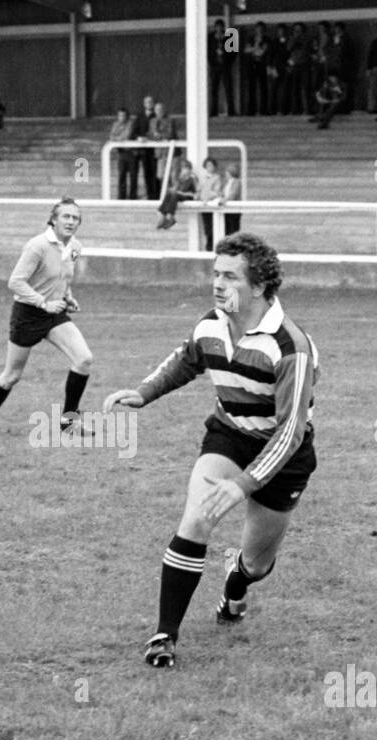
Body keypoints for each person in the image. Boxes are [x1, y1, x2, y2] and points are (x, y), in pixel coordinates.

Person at [102, 233, 318, 669]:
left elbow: (291, 432)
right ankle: (164, 636)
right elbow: (186, 359)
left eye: (230, 277)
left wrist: (245, 484)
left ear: (258, 287)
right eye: (215, 274)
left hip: (283, 455)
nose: (217, 284)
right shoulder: (210, 325)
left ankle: (236, 585)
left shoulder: (290, 346)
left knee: (257, 563)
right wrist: (144, 393)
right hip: (228, 436)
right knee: (197, 517)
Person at [0, 199, 88, 437]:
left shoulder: (75, 247)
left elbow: (64, 278)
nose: (70, 221)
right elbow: (15, 282)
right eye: (65, 216)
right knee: (12, 375)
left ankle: (68, 422)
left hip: (55, 314)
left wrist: (68, 297)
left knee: (84, 359)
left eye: (75, 218)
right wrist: (43, 302)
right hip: (28, 315)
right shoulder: (37, 246)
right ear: (53, 219)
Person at [131, 95, 159, 200]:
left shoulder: (157, 115)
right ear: (144, 104)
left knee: (156, 173)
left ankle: (157, 195)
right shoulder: (140, 116)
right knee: (147, 172)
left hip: (155, 149)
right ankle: (150, 195)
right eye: (147, 102)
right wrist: (138, 138)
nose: (149, 104)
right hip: (144, 150)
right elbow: (134, 131)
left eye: (151, 102)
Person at [157, 158, 197, 230]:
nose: (184, 170)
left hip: (188, 196)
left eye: (185, 168)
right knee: (169, 194)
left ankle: (170, 216)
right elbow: (176, 189)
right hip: (179, 195)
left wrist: (181, 192)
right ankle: (162, 215)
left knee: (174, 195)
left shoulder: (192, 179)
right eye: (183, 168)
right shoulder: (181, 179)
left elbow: (194, 193)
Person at [208, 18, 237, 117]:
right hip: (214, 66)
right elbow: (207, 51)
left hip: (225, 66)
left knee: (228, 88)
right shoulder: (210, 37)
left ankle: (231, 111)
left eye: (221, 27)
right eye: (217, 27)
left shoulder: (229, 36)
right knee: (214, 90)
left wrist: (224, 56)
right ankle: (213, 111)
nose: (219, 28)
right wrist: (212, 61)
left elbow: (234, 53)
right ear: (215, 28)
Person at [109, 107, 138, 200]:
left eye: (124, 115)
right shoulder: (115, 124)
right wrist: (118, 138)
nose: (122, 117)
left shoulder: (130, 123)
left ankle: (133, 196)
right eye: (120, 115)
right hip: (121, 153)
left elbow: (127, 135)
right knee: (122, 175)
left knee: (133, 176)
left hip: (131, 152)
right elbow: (112, 136)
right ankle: (121, 196)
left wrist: (118, 137)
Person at [197, 158, 225, 251]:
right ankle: (208, 246)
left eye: (211, 165)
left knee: (212, 228)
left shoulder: (217, 178)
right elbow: (199, 190)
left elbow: (216, 192)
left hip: (211, 205)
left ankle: (212, 247)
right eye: (208, 165)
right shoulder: (203, 178)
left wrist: (206, 197)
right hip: (204, 206)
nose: (209, 167)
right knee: (207, 227)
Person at [244, 22, 270, 116]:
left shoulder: (267, 39)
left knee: (263, 88)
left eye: (261, 29)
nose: (259, 31)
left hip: (262, 65)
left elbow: (263, 51)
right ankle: (251, 110)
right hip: (251, 66)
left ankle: (264, 110)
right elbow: (246, 50)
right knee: (251, 88)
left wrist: (254, 49)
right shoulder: (250, 38)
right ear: (255, 30)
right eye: (258, 29)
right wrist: (256, 47)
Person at [268, 24, 292, 115]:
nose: (281, 33)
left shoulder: (289, 41)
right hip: (276, 68)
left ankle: (284, 110)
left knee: (285, 89)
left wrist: (289, 65)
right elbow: (270, 55)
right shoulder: (274, 42)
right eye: (280, 31)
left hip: (286, 67)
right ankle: (272, 110)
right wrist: (270, 67)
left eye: (283, 31)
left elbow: (291, 53)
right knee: (273, 89)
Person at [221, 163, 243, 237]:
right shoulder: (227, 183)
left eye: (227, 172)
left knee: (233, 229)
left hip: (234, 209)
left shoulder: (237, 182)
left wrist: (225, 199)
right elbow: (223, 193)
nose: (226, 174)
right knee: (226, 229)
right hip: (226, 209)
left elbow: (234, 193)